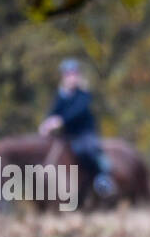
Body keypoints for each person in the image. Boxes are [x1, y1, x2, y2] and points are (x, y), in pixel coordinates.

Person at [40, 59, 115, 197]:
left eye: (74, 74)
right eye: (68, 75)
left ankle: (103, 177)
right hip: (66, 136)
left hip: (84, 135)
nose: (71, 78)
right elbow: (53, 112)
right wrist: (46, 123)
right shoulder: (61, 96)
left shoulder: (84, 95)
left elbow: (77, 112)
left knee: (87, 150)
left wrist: (60, 121)